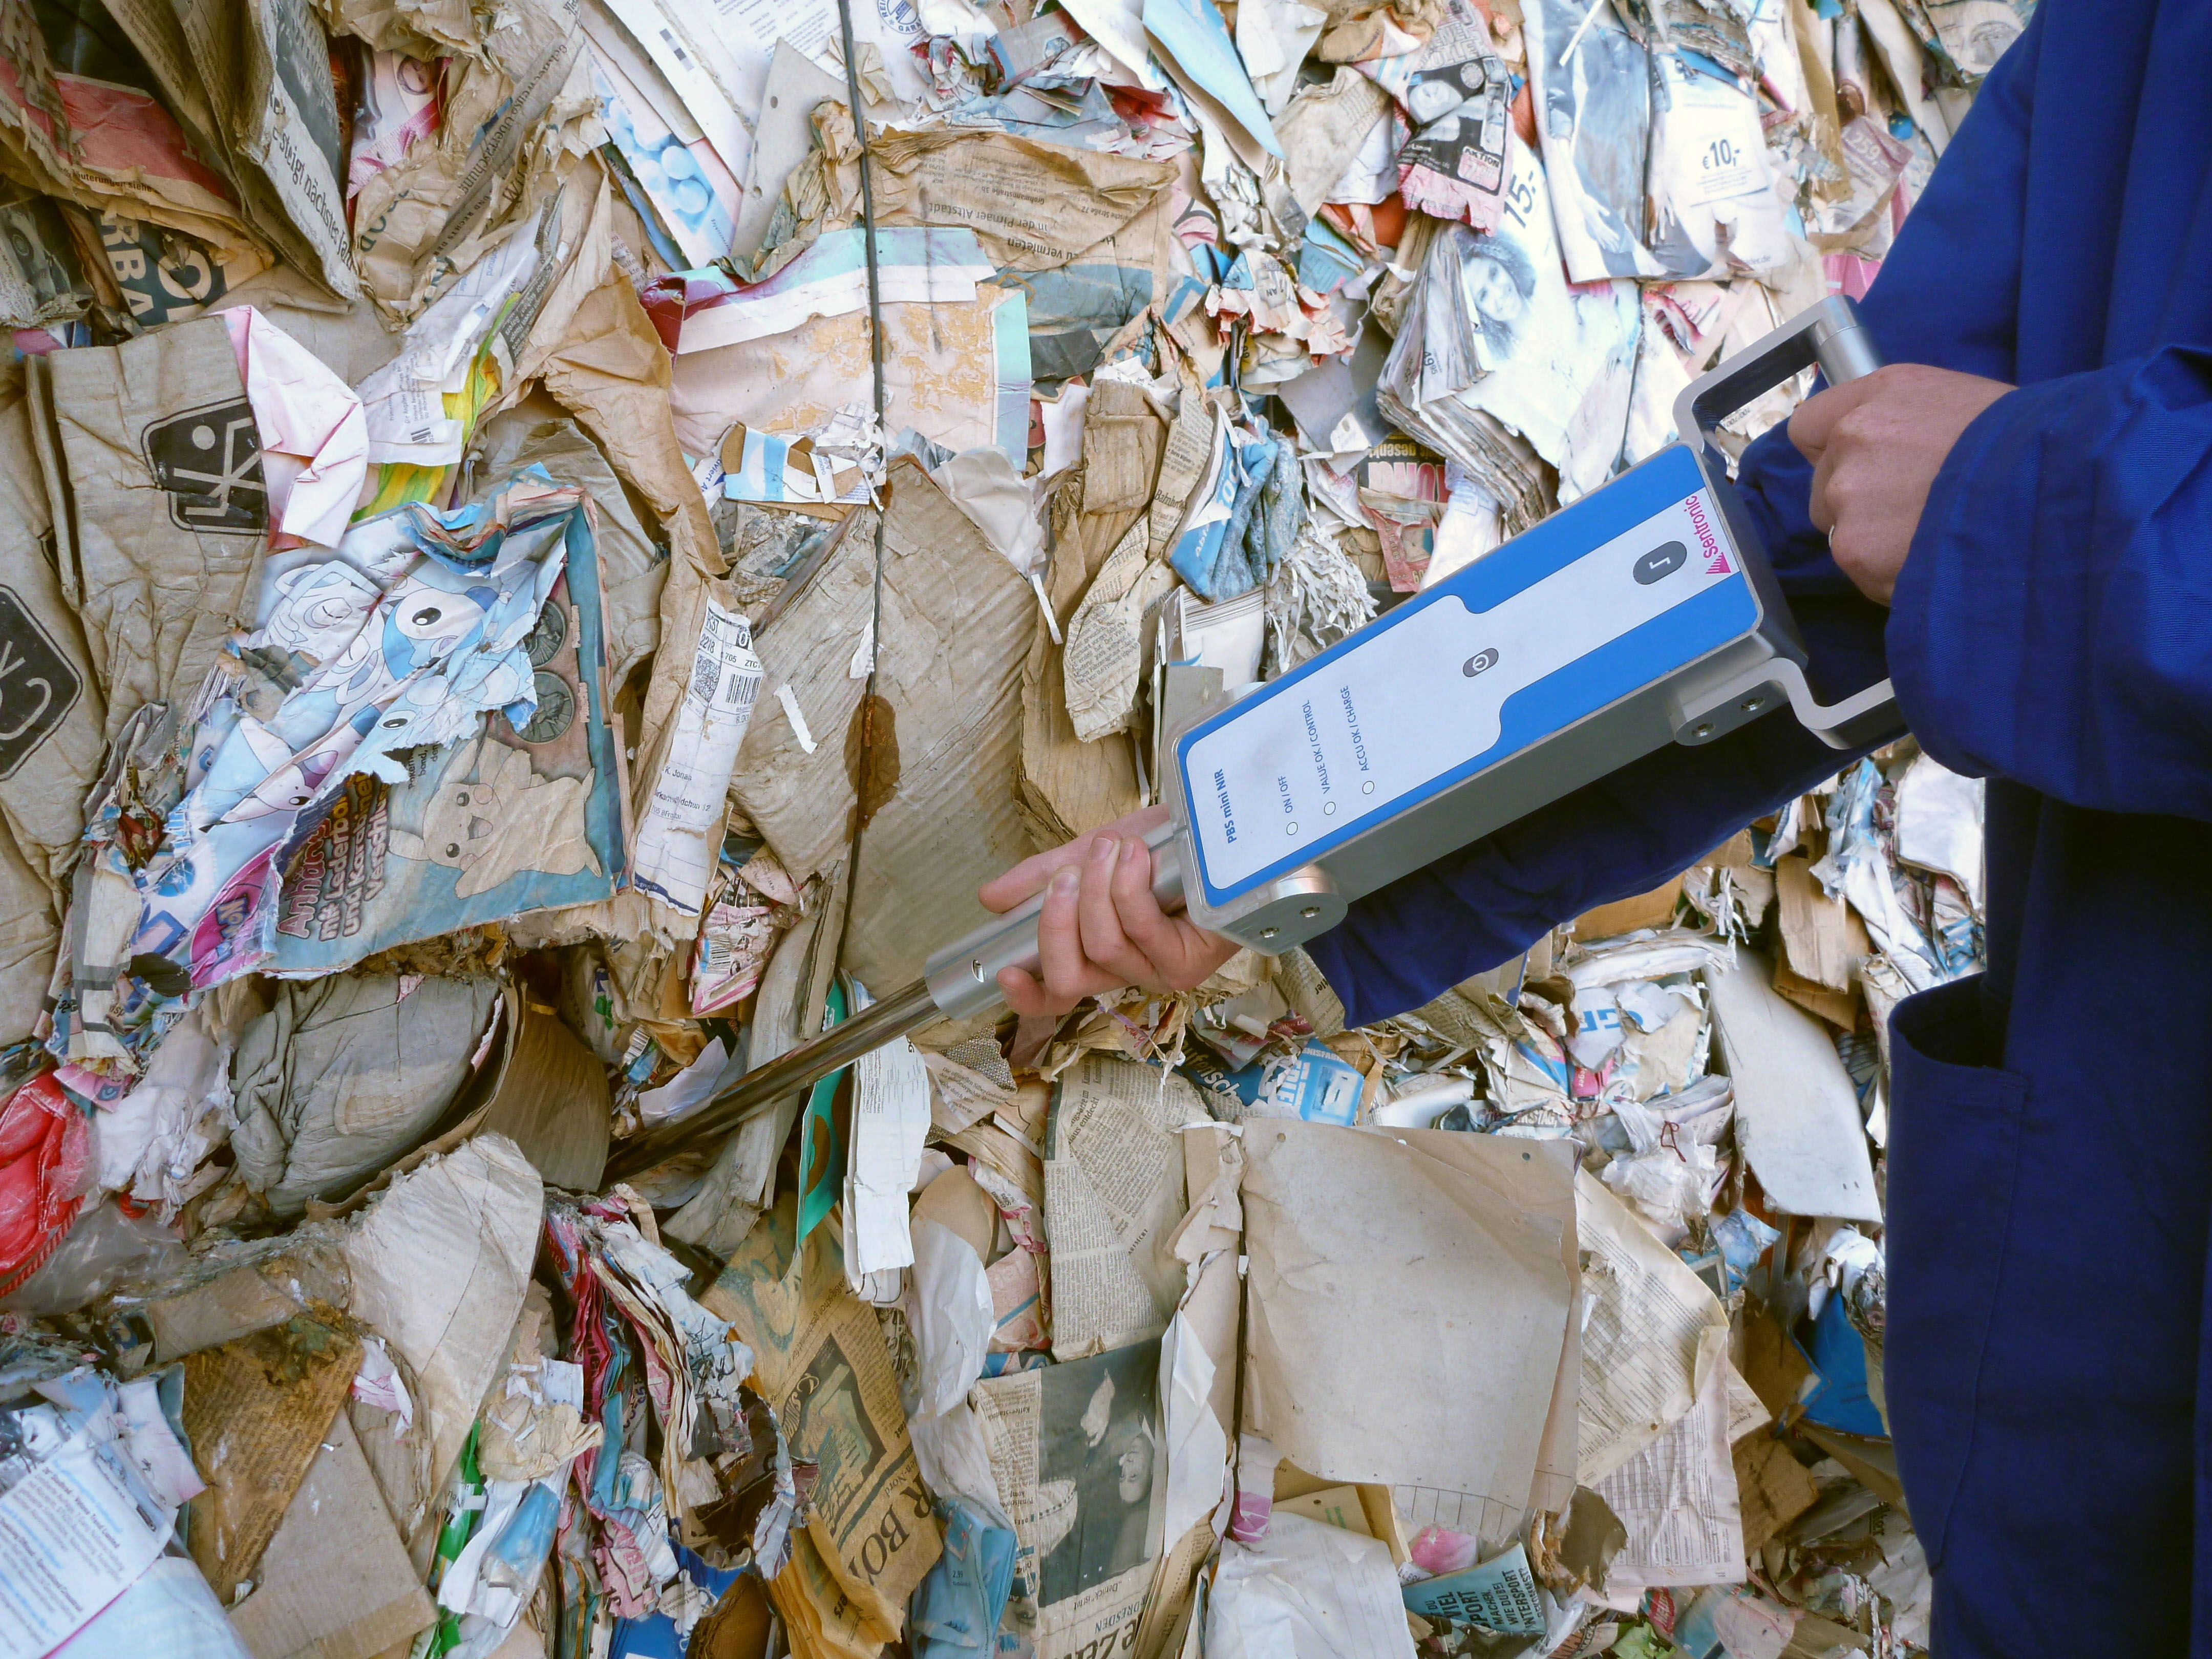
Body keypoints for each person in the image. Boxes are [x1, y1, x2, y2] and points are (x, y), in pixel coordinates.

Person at [978, 4, 2212, 1650]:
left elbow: (1964, 492)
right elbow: (1813, 536)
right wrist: (1292, 838)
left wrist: (2042, 513)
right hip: (2111, 1306)